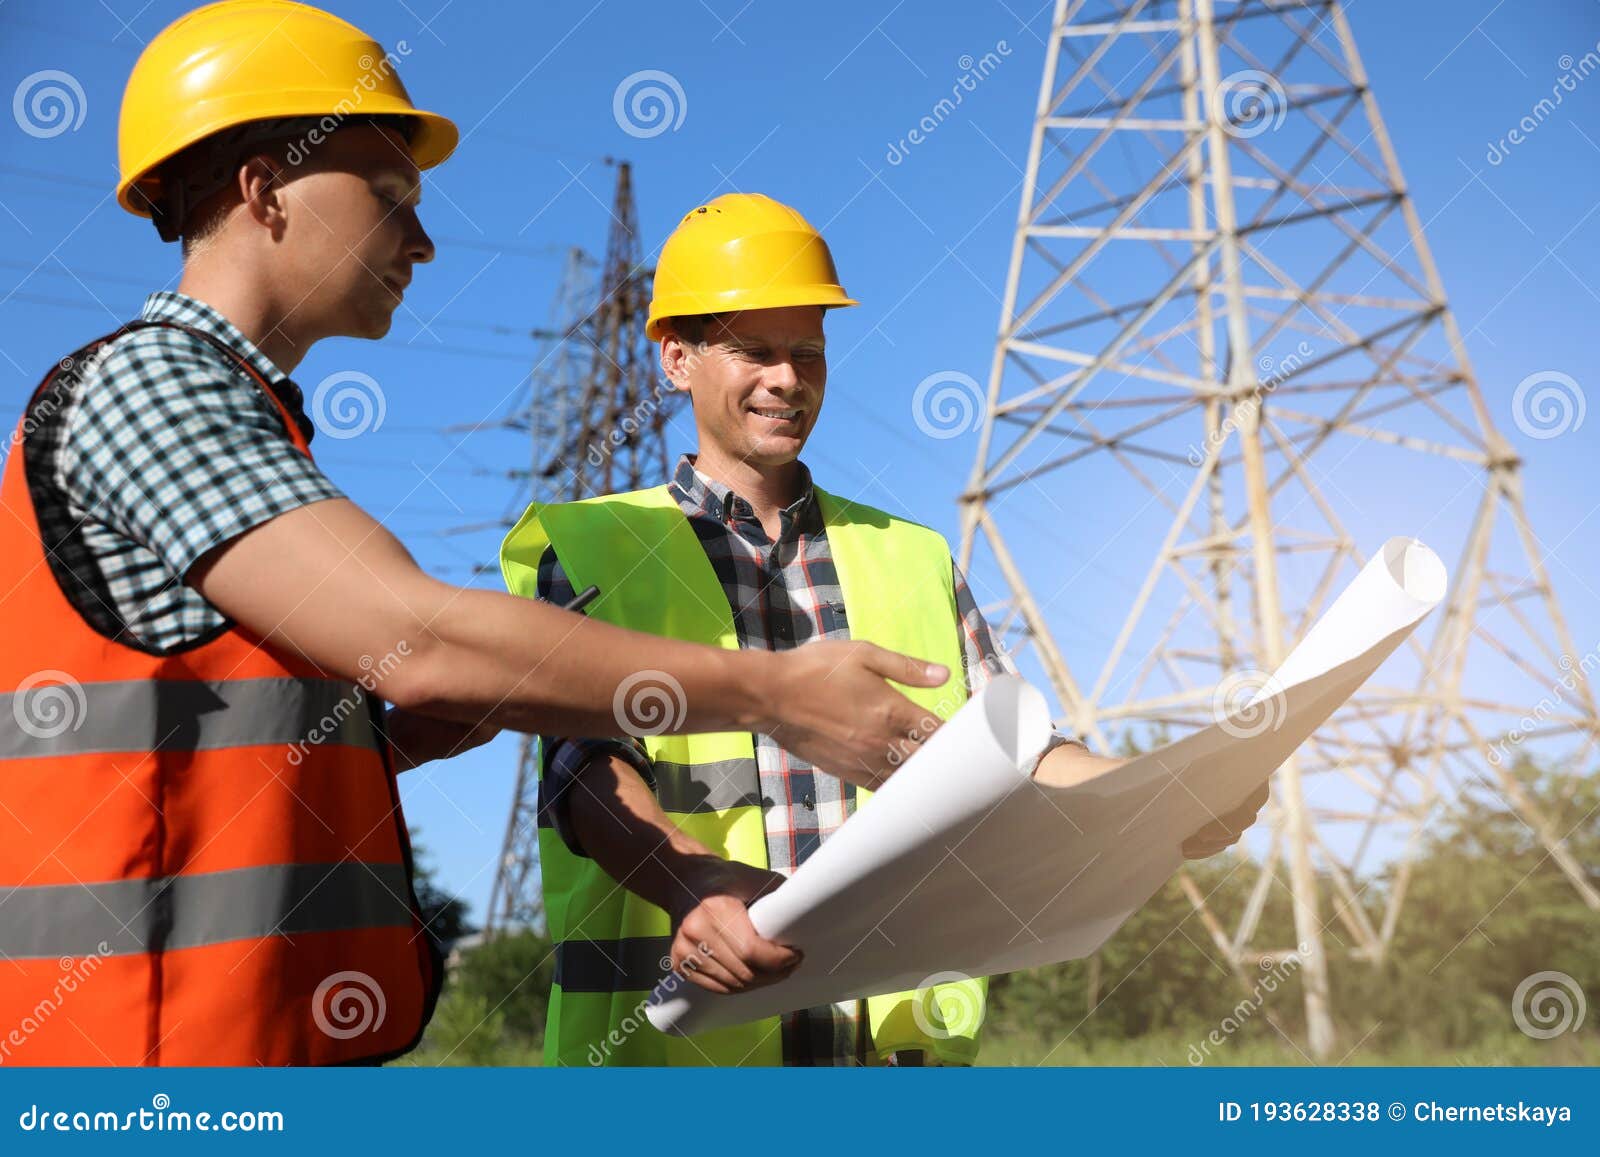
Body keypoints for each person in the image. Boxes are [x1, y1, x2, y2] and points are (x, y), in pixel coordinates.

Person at [0, 3, 948, 1067]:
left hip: (218, 1047)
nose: (421, 240)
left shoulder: (245, 415)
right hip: (128, 1061)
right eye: (389, 195)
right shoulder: (149, 385)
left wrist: (384, 743)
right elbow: (422, 639)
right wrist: (779, 693)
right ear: (264, 190)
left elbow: (219, 756)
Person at [501, 192, 1270, 1066]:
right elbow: (584, 769)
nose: (787, 378)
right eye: (755, 350)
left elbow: (1009, 751)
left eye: (808, 352)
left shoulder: (911, 555)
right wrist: (688, 880)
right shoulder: (593, 544)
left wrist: (1157, 791)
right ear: (677, 358)